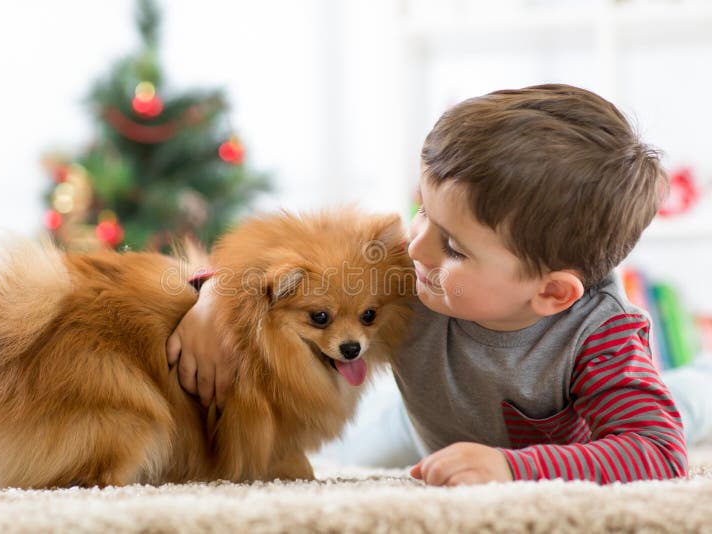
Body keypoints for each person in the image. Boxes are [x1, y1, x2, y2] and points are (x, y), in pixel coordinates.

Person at [167, 84, 692, 486]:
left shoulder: (601, 336)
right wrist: (214, 296)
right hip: (415, 424)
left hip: (522, 438)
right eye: (422, 210)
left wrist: (512, 469)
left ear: (551, 293)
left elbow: (659, 451)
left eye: (455, 247)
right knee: (349, 457)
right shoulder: (415, 266)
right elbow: (301, 265)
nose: (416, 246)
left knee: (689, 405)